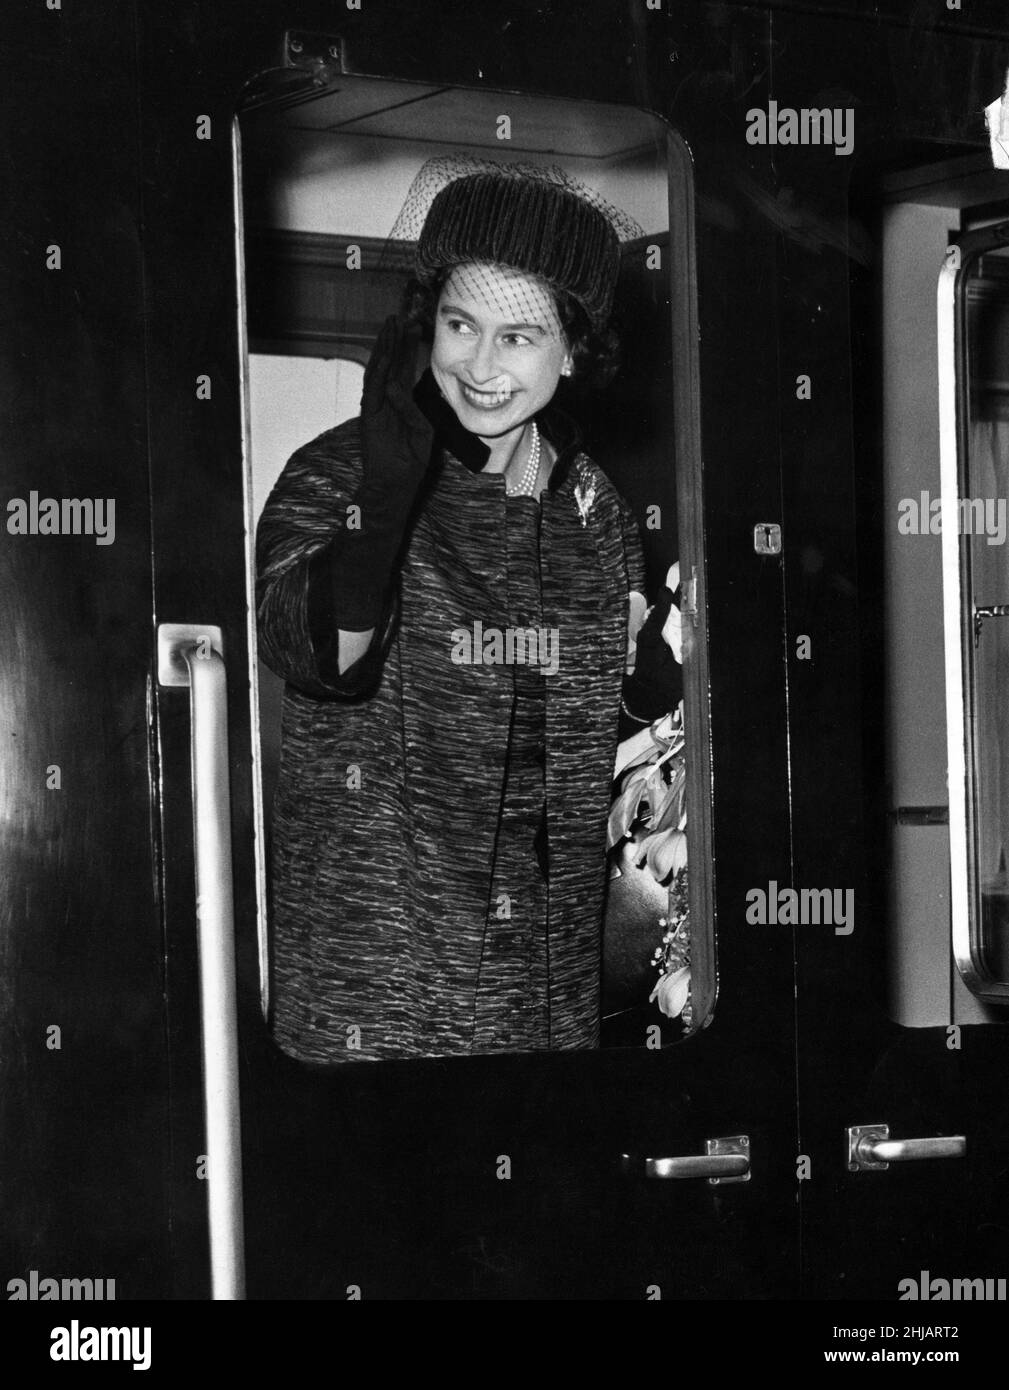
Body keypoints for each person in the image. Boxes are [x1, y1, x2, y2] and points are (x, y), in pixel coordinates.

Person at [256, 164, 681, 1063]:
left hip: (544, 997)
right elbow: (319, 655)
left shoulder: (594, 511)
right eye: (460, 326)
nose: (480, 368)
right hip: (377, 995)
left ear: (572, 352)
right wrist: (385, 495)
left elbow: (605, 737)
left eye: (519, 338)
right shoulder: (337, 474)